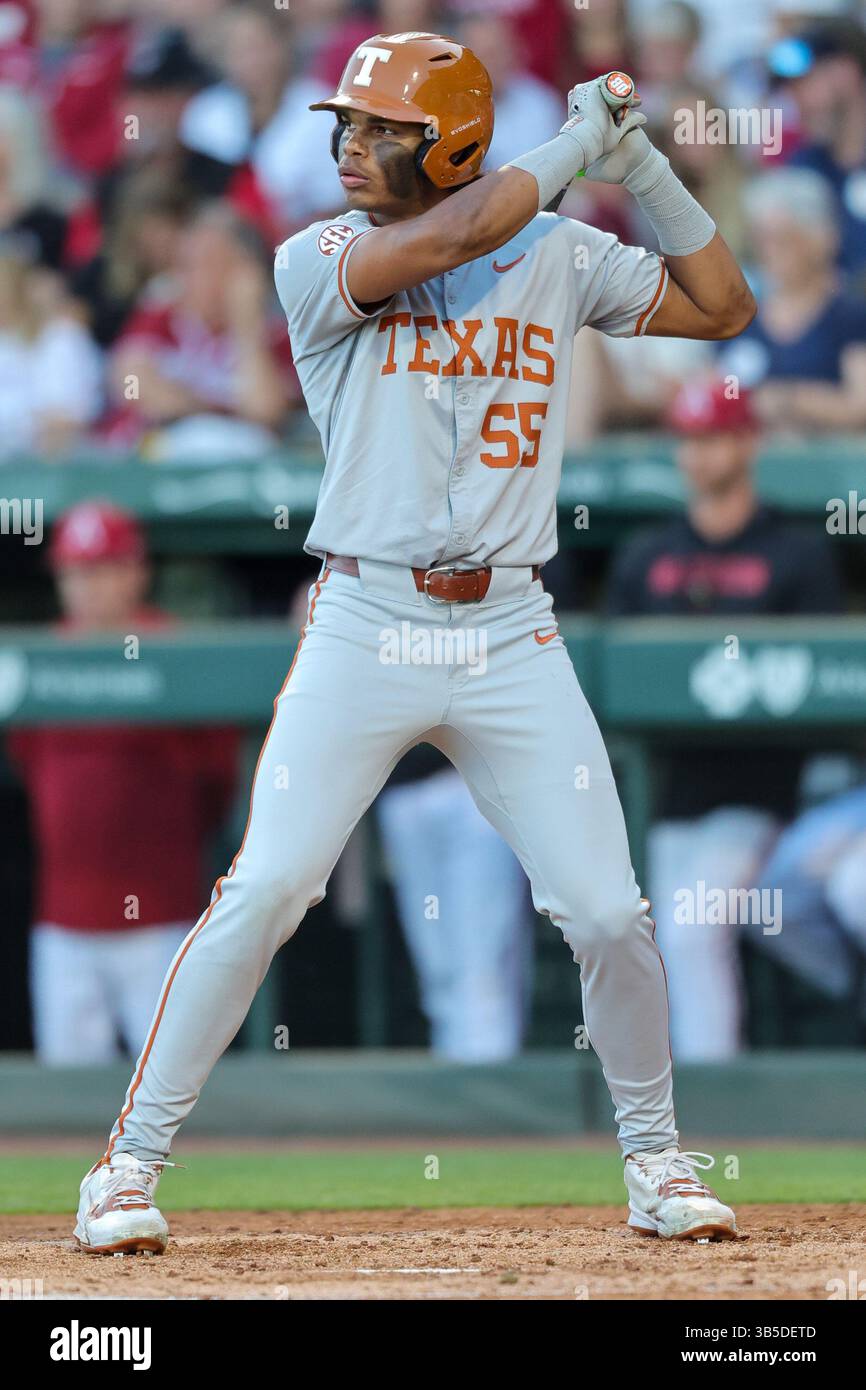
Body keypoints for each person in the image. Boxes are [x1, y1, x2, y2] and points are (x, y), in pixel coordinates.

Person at [75, 32, 756, 1256]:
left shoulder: (554, 249)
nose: (350, 145)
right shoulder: (317, 253)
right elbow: (449, 242)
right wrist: (573, 147)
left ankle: (655, 1160)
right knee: (269, 887)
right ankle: (126, 1165)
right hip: (368, 616)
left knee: (606, 911)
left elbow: (722, 305)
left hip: (509, 623)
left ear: (445, 139)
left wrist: (639, 161)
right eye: (347, 124)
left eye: (381, 128)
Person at [606, 377, 844, 1060]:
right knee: (641, 941)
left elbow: (819, 690)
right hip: (663, 799)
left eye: (712, 437)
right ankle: (658, 1112)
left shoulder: (795, 551)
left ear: (747, 441)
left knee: (690, 926)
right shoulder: (648, 554)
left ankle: (712, 1103)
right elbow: (616, 683)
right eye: (688, 439)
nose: (697, 455)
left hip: (763, 800)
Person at [7, 501, 240, 1065]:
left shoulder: (177, 652)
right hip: (64, 923)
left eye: (102, 569)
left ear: (136, 571)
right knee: (67, 1104)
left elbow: (218, 782)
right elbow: (29, 769)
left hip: (163, 918)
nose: (86, 587)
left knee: (172, 1096)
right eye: (75, 572)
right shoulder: (42, 657)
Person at [719, 167, 866, 432]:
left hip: (828, 465)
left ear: (821, 239)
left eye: (783, 239)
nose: (769, 251)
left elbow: (860, 405)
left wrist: (788, 401)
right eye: (762, 239)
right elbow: (715, 388)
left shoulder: (849, 317)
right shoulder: (740, 318)